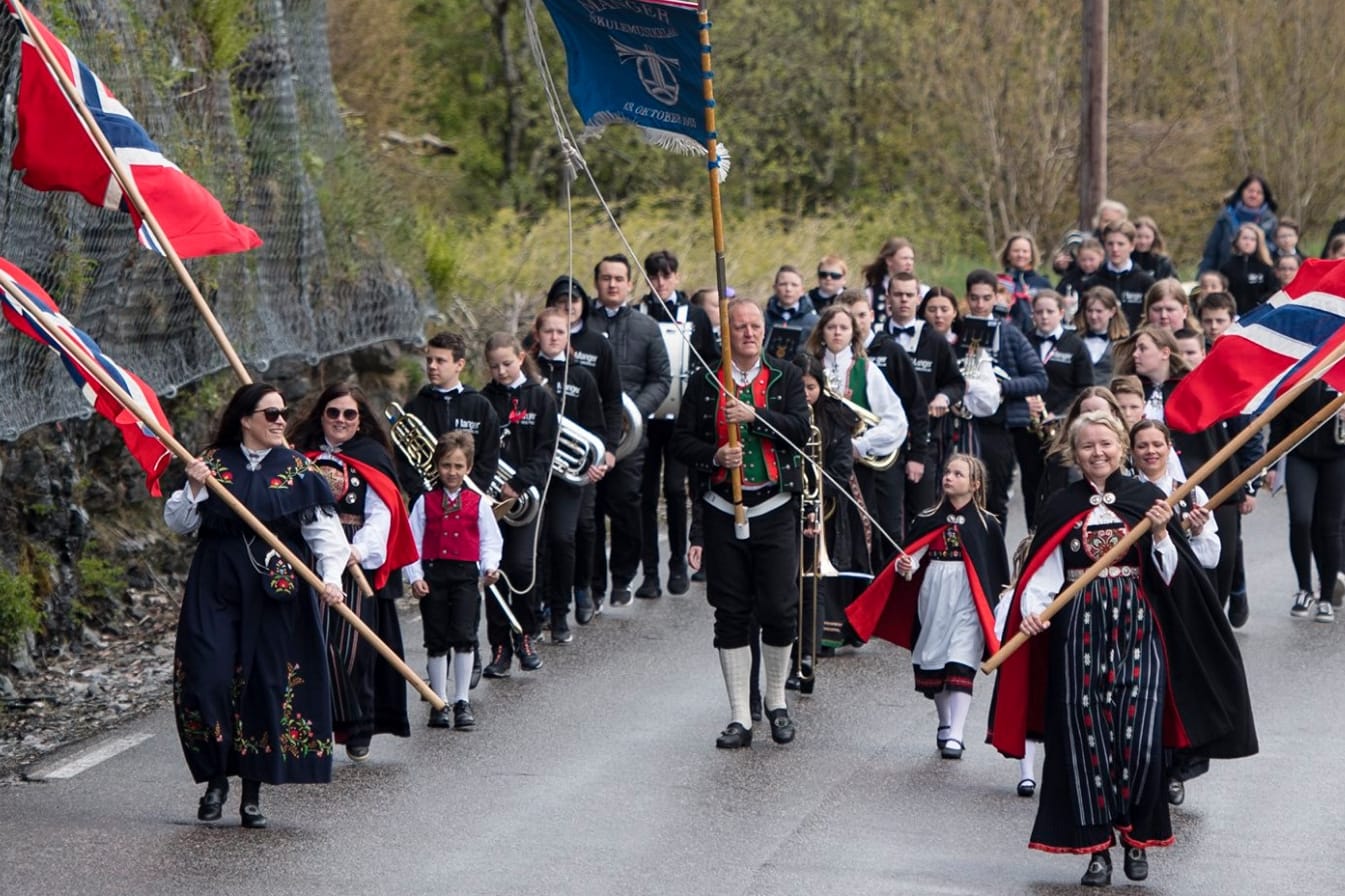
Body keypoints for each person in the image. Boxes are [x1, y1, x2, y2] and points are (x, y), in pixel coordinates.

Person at [990, 410, 1257, 888]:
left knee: (1138, 737)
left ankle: (1136, 838)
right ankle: (1096, 852)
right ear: (1076, 452)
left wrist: (1159, 531)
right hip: (1078, 632)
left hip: (1137, 627)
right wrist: (1034, 609)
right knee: (1084, 738)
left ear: (1121, 448)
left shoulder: (1148, 499)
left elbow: (1174, 572)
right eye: (1089, 446)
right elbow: (1045, 571)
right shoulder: (1062, 503)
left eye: (1107, 444)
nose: (1099, 453)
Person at [166, 383, 348, 829]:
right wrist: (193, 488)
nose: (281, 421)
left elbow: (327, 537)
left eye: (283, 413)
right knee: (207, 678)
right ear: (246, 419)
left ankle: (251, 791)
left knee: (264, 685)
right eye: (271, 414)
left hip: (276, 591)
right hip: (217, 585)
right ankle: (215, 780)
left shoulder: (300, 472)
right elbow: (178, 522)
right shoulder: (211, 464)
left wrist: (330, 579)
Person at [672, 299, 810, 749]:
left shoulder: (787, 376)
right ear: (726, 334)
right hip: (721, 508)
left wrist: (755, 418)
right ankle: (739, 717)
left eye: (755, 325)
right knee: (730, 612)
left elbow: (800, 430)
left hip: (774, 508)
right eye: (740, 327)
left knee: (778, 608)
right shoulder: (706, 379)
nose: (749, 333)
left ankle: (775, 703)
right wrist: (715, 455)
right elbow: (680, 442)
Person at [846, 453, 1009, 761]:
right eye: (947, 472)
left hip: (968, 601)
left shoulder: (988, 524)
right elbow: (912, 561)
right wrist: (905, 565)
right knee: (937, 660)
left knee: (961, 659)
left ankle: (957, 734)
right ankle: (945, 723)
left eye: (958, 474)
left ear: (974, 485)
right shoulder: (927, 518)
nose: (949, 477)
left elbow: (995, 573)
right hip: (934, 595)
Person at [290, 384, 418, 762]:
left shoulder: (373, 457)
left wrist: (356, 550)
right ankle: (310, 724)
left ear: (361, 420)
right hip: (307, 556)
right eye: (333, 413)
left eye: (349, 414)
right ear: (321, 414)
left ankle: (357, 725)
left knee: (352, 649)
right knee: (308, 643)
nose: (341, 421)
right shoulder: (299, 455)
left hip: (353, 562)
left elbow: (383, 514)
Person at [588, 254, 671, 609]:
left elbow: (661, 378)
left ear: (630, 285)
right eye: (606, 278)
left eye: (619, 278)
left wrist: (634, 411)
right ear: (597, 283)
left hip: (630, 437)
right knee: (589, 512)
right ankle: (590, 585)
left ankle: (622, 577)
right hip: (589, 437)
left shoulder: (646, 327)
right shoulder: (582, 326)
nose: (612, 284)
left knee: (626, 507)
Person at [403, 432, 502, 729]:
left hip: (465, 577)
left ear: (468, 468)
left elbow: (490, 541)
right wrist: (415, 576)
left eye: (458, 466)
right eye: (446, 465)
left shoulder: (479, 503)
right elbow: (412, 543)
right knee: (436, 639)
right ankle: (439, 701)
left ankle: (462, 701)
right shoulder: (425, 502)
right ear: (437, 466)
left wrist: (490, 567)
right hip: (434, 575)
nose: (452, 472)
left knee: (463, 636)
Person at [638, 250, 718, 599]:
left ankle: (678, 564)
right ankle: (650, 574)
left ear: (676, 277)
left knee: (675, 489)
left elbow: (711, 359)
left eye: (666, 276)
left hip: (682, 418)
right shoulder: (636, 313)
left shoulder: (695, 315)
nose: (660, 282)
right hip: (645, 417)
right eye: (654, 276)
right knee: (645, 494)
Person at [480, 332, 560, 676]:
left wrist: (520, 481)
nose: (501, 371)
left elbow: (547, 451)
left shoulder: (540, 398)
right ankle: (499, 648)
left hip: (525, 499)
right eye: (494, 366)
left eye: (507, 364)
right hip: (491, 499)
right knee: (493, 571)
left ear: (521, 357)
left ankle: (526, 637)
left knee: (522, 568)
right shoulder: (483, 400)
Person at [544, 275, 624, 622]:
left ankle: (588, 588)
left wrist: (608, 448)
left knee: (586, 525)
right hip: (545, 459)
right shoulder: (532, 354)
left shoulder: (597, 343)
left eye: (575, 299)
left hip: (584, 455)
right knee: (550, 534)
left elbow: (611, 400)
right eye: (562, 300)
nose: (570, 305)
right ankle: (549, 598)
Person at [805, 304, 909, 563]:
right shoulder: (809, 367)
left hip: (855, 468)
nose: (837, 333)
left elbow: (896, 420)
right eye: (831, 327)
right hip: (815, 462)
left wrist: (861, 445)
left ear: (854, 333)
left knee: (859, 530)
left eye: (843, 327)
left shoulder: (867, 370)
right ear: (821, 332)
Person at [532, 306, 611, 642]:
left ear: (568, 338)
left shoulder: (581, 376)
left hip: (569, 475)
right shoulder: (528, 376)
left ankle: (560, 610)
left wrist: (597, 460)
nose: (554, 337)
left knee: (563, 538)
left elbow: (596, 428)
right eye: (548, 331)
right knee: (536, 544)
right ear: (537, 336)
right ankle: (537, 610)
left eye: (560, 332)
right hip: (534, 473)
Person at [789, 354, 866, 684]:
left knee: (812, 585)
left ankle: (807, 654)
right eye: (801, 387)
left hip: (825, 512)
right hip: (787, 508)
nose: (806, 394)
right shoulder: (784, 415)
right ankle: (789, 652)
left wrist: (815, 489)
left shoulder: (834, 418)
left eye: (811, 387)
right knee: (788, 585)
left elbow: (841, 469)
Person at [958, 269, 1047, 523]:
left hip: (1000, 425)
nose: (980, 304)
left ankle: (995, 558)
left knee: (995, 497)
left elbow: (1039, 378)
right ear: (967, 298)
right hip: (962, 424)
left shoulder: (1010, 334)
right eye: (974, 298)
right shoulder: (959, 330)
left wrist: (1002, 387)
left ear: (996, 297)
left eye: (986, 298)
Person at [846, 288, 927, 547]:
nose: (856, 323)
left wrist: (917, 455)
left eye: (861, 315)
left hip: (886, 453)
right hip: (848, 455)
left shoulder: (891, 350)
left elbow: (915, 404)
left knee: (889, 525)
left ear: (871, 315)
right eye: (849, 318)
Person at [1269, 381, 1345, 622]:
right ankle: (1304, 589)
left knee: (1329, 526)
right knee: (1301, 519)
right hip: (1300, 453)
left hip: (1338, 456)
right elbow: (1281, 410)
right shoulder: (1305, 366)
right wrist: (1271, 460)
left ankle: (1327, 596)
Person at [1019, 290, 1095, 528]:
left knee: (1059, 481)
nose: (1044, 317)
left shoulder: (1076, 346)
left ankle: (1060, 530)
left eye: (1050, 311)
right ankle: (1033, 533)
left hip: (1062, 427)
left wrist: (1060, 413)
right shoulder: (1023, 341)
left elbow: (1084, 388)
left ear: (1062, 313)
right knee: (1030, 483)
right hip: (1028, 425)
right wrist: (1025, 404)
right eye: (1039, 312)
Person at [1199, 174, 1279, 274]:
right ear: (1242, 191)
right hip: (1225, 276)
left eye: (1259, 193)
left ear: (1265, 196)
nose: (1253, 195)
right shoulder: (1225, 217)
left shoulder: (1271, 222)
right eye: (1250, 191)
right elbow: (1211, 253)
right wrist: (1202, 278)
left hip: (1259, 278)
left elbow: (1277, 252)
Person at [1085, 220, 1155, 331]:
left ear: (1132, 246)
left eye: (1120, 244)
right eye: (1110, 244)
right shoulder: (1092, 282)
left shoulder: (1146, 282)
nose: (1115, 249)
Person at [999, 231, 1054, 332]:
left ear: (1031, 255)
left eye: (1025, 251)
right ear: (1007, 254)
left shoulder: (1043, 283)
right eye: (1016, 251)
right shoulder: (999, 281)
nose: (1020, 255)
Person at [1219, 222, 1278, 315]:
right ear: (1237, 240)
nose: (1248, 242)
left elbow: (1273, 291)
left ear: (1258, 243)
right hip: (1234, 316)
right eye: (1245, 238)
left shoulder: (1266, 267)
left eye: (1252, 239)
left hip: (1259, 316)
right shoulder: (1227, 267)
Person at [1074, 285, 1128, 384]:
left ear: (1112, 312)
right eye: (1089, 311)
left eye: (1099, 311)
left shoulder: (1123, 343)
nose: (1093, 316)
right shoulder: (1074, 341)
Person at [764, 265, 820, 354]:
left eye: (794, 285)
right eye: (783, 284)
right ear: (775, 288)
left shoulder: (814, 321)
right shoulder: (763, 319)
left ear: (802, 290)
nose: (788, 289)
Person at [1055, 237, 1104, 301]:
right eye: (1083, 260)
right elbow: (1057, 294)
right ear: (1078, 259)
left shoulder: (1105, 276)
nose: (1087, 264)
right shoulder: (1071, 277)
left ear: (1101, 257)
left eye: (1091, 260)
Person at [1131, 215, 1178, 281]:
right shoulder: (1125, 259)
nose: (1143, 241)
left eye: (1147, 237)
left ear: (1154, 237)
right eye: (1139, 236)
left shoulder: (1163, 262)